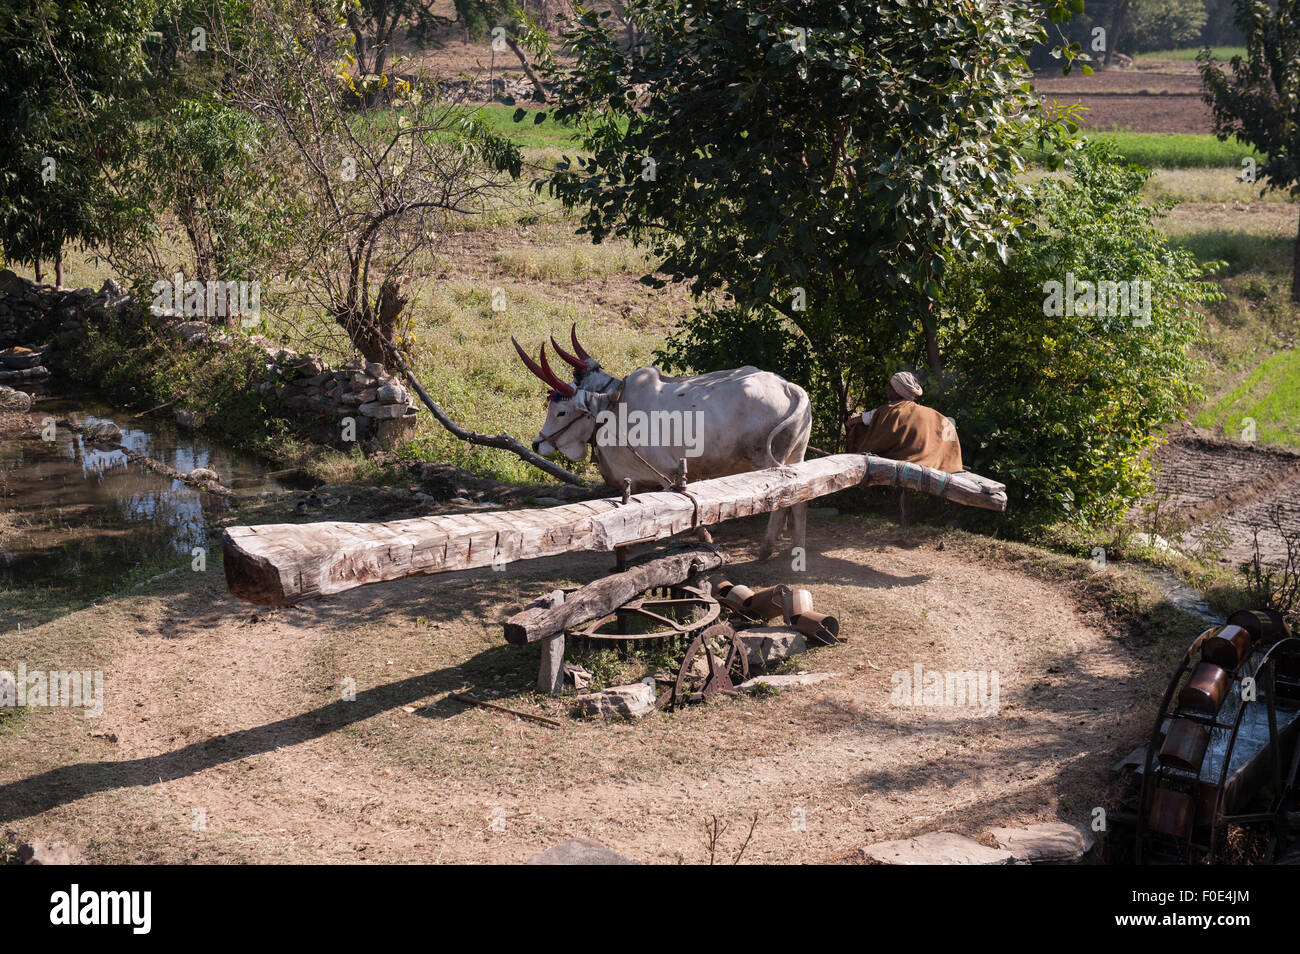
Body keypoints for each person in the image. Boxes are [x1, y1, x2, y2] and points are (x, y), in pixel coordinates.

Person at [845, 370, 963, 472]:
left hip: (905, 458)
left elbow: (862, 419)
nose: (888, 390)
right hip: (942, 462)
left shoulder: (888, 410)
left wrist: (851, 423)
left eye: (890, 388)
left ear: (897, 392)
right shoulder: (936, 415)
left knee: (858, 428)